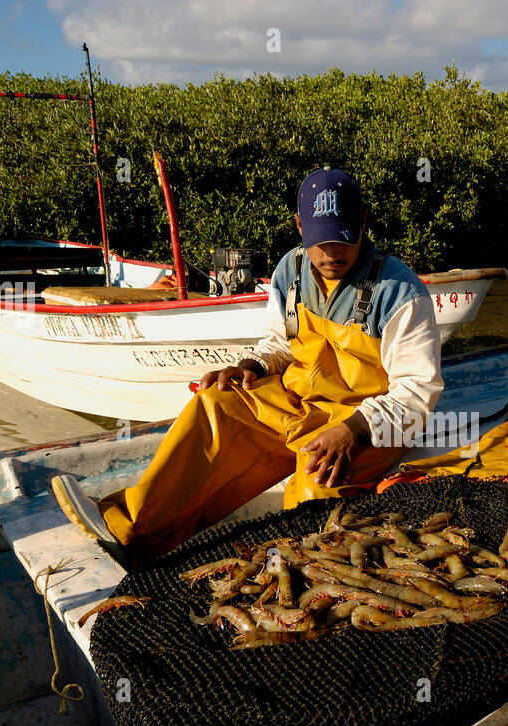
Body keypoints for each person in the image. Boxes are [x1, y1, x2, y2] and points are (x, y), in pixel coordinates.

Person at [52, 168, 443, 563]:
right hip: (299, 402)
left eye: (342, 240)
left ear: (362, 225)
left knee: (313, 485)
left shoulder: (402, 293)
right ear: (299, 227)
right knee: (215, 405)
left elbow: (417, 395)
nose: (330, 255)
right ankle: (130, 529)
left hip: (366, 423)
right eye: (319, 242)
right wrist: (252, 365)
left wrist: (353, 431)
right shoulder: (288, 272)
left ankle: (309, 570)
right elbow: (280, 344)